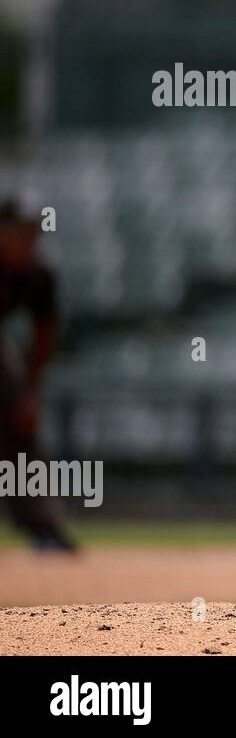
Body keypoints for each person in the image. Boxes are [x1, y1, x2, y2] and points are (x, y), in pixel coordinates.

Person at [0, 199, 74, 551]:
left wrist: (27, 393)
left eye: (34, 235)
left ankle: (43, 526)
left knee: (21, 428)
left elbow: (45, 335)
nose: (30, 243)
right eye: (22, 234)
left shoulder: (36, 275)